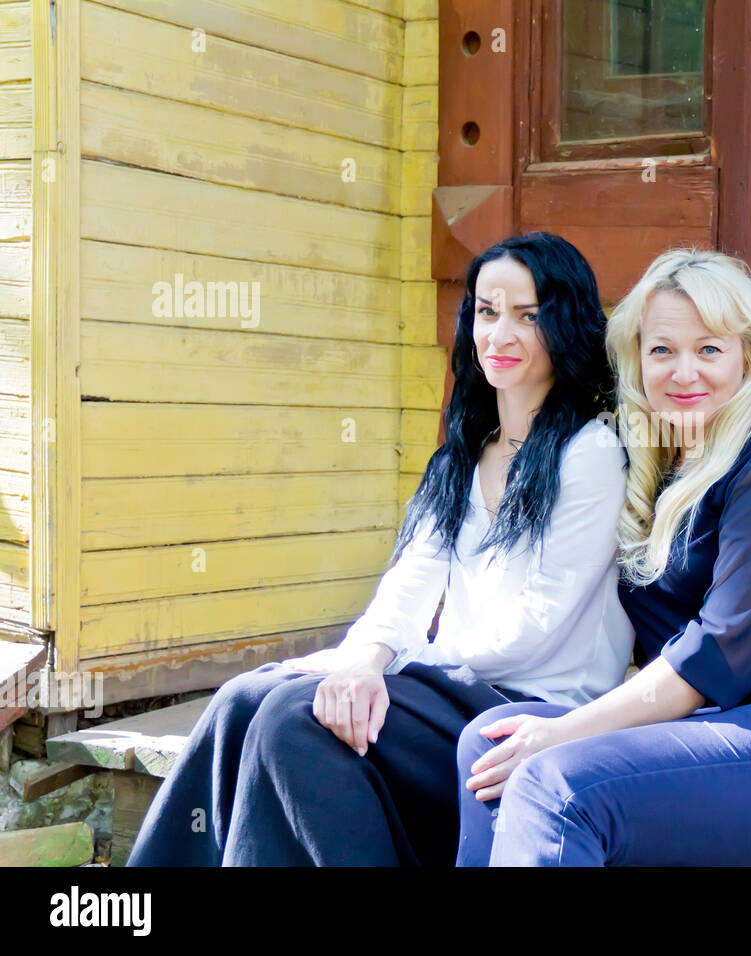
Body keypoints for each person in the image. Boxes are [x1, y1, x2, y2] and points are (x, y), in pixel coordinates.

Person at [127, 232, 634, 866]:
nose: (499, 334)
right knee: (240, 701)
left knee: (295, 721)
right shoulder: (465, 453)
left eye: (527, 316)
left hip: (531, 704)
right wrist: (362, 657)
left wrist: (387, 670)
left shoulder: (589, 455)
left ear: (563, 325)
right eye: (485, 311)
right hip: (453, 685)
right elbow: (410, 582)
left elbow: (535, 629)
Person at [454, 248, 751, 866]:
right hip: (713, 730)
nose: (684, 372)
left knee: (553, 782)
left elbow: (719, 652)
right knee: (490, 743)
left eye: (709, 350)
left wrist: (564, 730)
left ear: (748, 357)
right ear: (637, 361)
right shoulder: (651, 467)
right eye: (663, 350)